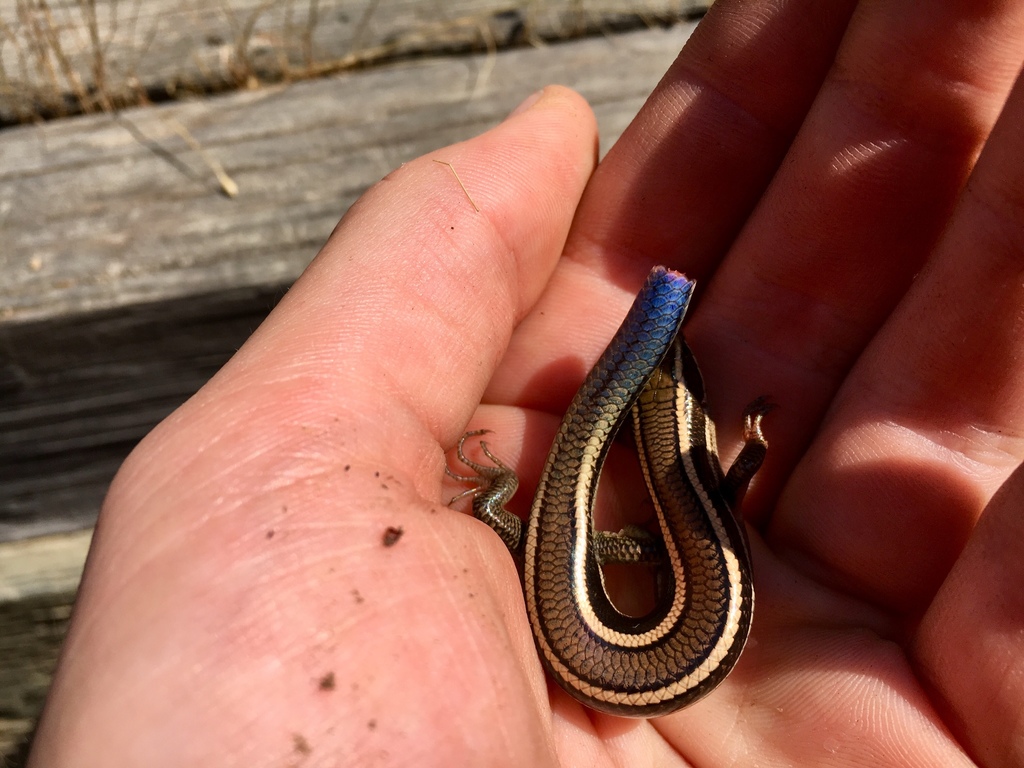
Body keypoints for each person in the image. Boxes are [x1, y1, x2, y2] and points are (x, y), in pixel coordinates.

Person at [29, 1, 1024, 765]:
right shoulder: (697, 507)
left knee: (599, 515)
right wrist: (736, 449)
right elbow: (699, 499)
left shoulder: (690, 509)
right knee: (600, 516)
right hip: (613, 637)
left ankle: (519, 513)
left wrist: (718, 456)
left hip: (612, 632)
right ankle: (517, 515)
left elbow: (689, 504)